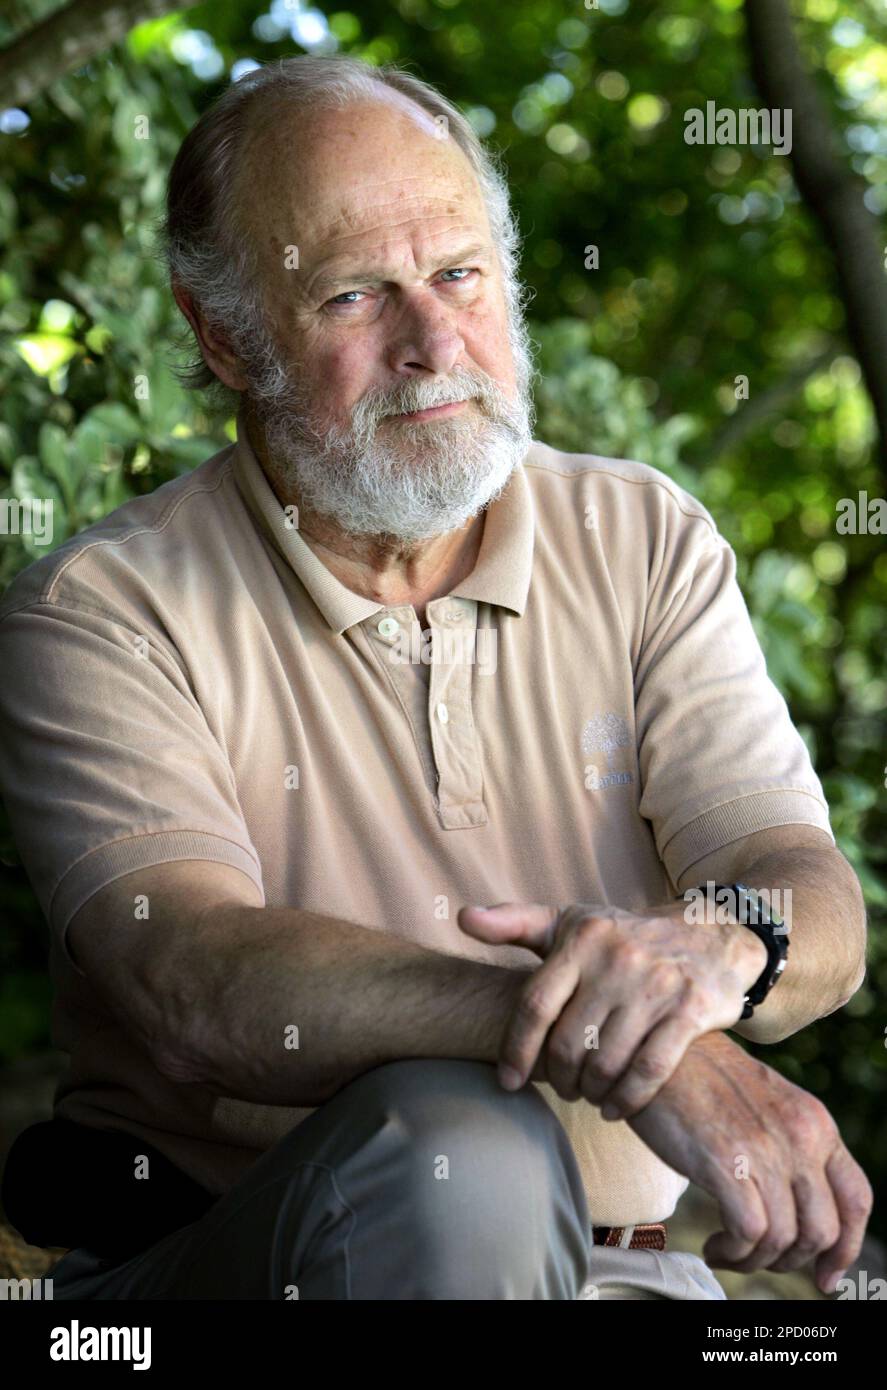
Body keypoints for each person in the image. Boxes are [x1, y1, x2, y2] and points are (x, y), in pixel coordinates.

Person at [0, 55, 871, 1300]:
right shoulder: (102, 610)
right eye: (354, 295)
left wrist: (714, 954)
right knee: (463, 1147)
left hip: (621, 1278)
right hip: (234, 1264)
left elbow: (809, 900)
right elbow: (194, 975)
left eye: (459, 274)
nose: (430, 343)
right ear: (222, 340)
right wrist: (627, 1047)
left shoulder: (640, 535)